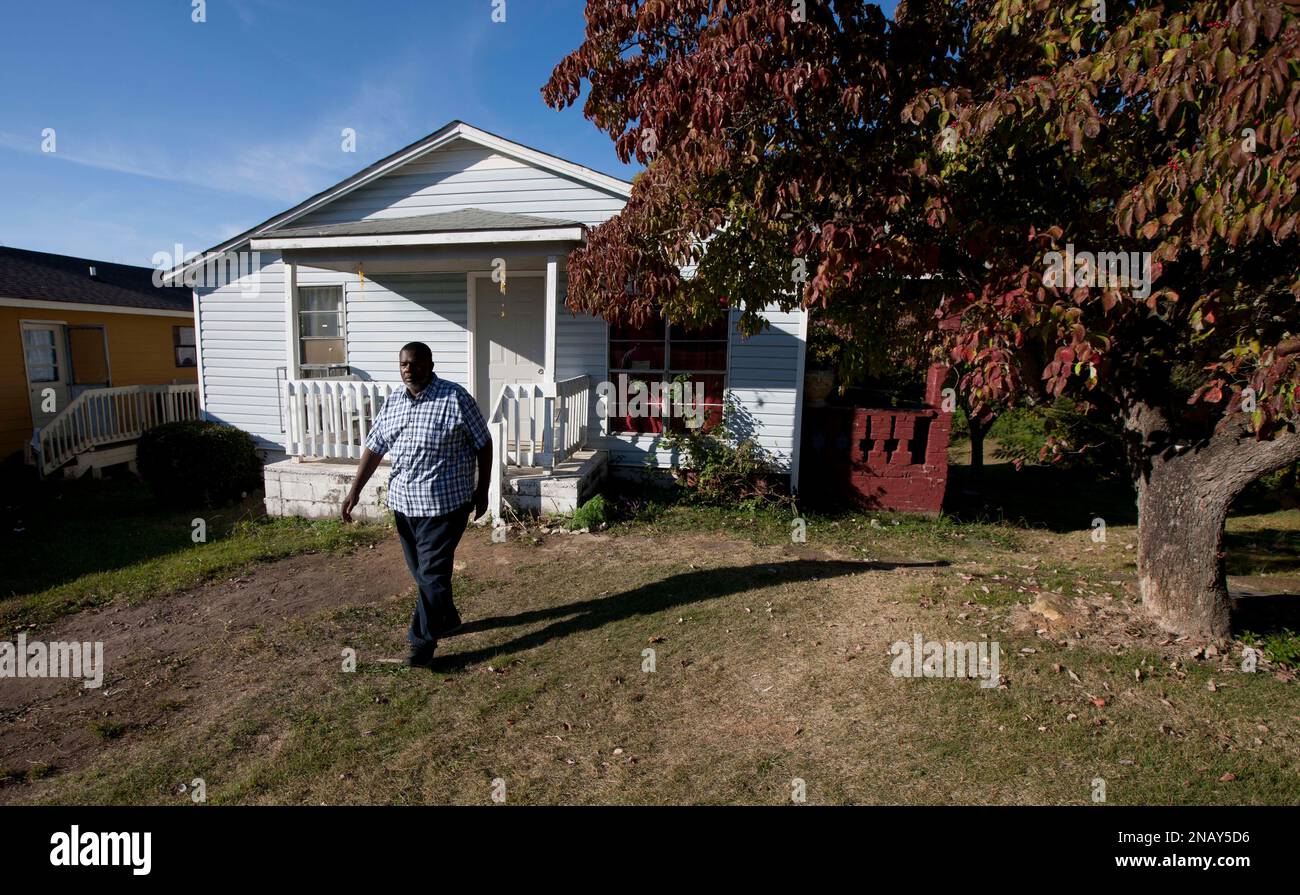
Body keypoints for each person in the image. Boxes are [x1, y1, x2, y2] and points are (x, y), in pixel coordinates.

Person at [341, 342, 493, 668]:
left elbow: (484, 442)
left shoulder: (455, 398)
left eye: (415, 363)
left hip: (445, 506)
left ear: (430, 364)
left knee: (432, 576)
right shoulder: (394, 401)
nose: (409, 369)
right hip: (403, 505)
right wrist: (355, 491)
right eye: (404, 364)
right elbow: (374, 447)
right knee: (424, 575)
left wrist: (483, 490)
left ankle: (421, 642)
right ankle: (447, 618)